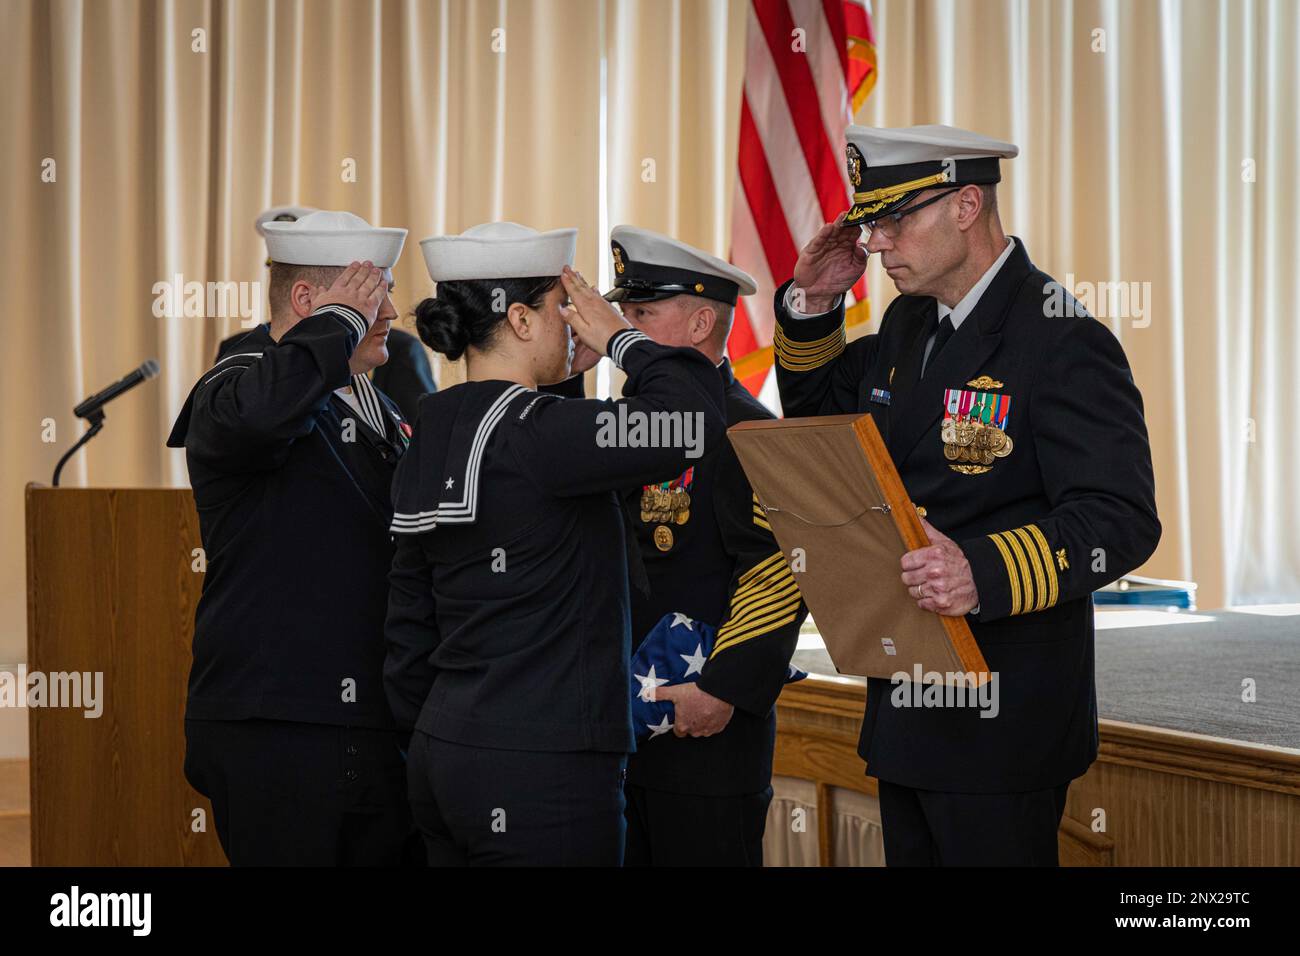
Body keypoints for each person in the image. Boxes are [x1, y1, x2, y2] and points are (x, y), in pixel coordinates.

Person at [772, 124, 1161, 866]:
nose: (877, 243)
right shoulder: (908, 321)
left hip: (1005, 712)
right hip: (908, 698)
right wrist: (814, 302)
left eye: (893, 219)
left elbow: (1121, 518)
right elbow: (821, 426)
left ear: (967, 205)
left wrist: (976, 572)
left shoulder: (1061, 338)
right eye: (870, 223)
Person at [383, 221, 727, 866]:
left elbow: (409, 613)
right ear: (519, 319)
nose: (575, 321)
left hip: (444, 747)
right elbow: (691, 421)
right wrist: (625, 341)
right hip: (542, 764)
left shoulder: (436, 424)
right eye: (560, 307)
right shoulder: (541, 435)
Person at [167, 210, 418, 865]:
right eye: (371, 293)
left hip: (366, 721)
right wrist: (334, 326)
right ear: (306, 302)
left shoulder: (375, 401)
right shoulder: (239, 378)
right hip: (279, 726)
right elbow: (261, 418)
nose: (390, 310)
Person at [596, 226, 807, 866]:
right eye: (623, 313)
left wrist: (723, 688)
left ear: (697, 326)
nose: (620, 334)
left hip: (703, 732)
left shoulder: (751, 431)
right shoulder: (626, 421)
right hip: (618, 719)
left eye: (640, 315)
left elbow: (778, 571)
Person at [217, 204, 438, 422]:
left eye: (387, 292)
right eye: (369, 295)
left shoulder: (369, 392)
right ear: (304, 298)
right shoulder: (241, 390)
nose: (391, 313)